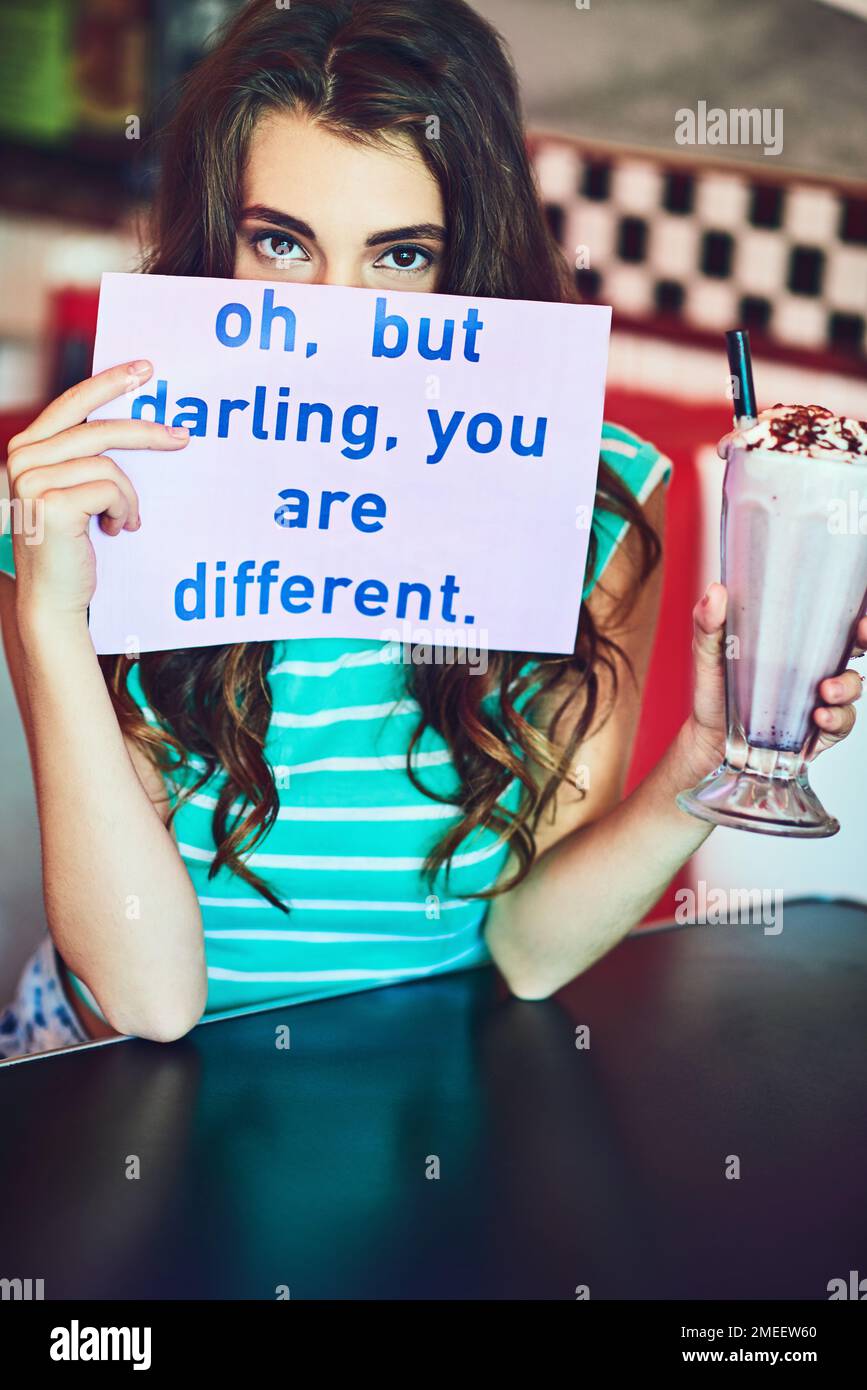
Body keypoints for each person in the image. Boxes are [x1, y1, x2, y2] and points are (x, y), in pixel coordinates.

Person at [0, 0, 862, 1060]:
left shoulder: (598, 503)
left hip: (412, 1102)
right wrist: (46, 615)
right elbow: (150, 999)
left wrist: (708, 756)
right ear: (215, 247)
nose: (340, 321)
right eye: (282, 244)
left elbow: (530, 947)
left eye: (401, 257)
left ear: (473, 264)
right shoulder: (86, 501)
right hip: (111, 1088)